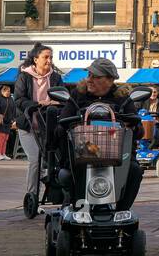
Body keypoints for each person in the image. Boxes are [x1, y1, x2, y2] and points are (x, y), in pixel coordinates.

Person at [58, 58, 143, 208]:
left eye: (96, 77)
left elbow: (139, 131)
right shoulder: (78, 96)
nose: (89, 80)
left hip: (116, 154)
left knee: (135, 170)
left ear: (110, 80)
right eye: (89, 75)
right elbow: (63, 122)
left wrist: (132, 126)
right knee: (67, 172)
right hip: (82, 152)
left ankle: (122, 210)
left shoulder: (122, 99)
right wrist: (73, 124)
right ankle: (76, 204)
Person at [14, 43, 66, 210]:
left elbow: (64, 97)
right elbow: (19, 100)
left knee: (55, 160)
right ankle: (32, 197)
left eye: (51, 57)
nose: (49, 61)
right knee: (35, 160)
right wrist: (37, 104)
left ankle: (56, 190)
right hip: (28, 126)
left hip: (49, 126)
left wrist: (59, 102)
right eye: (46, 57)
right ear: (35, 59)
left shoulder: (56, 78)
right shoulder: (24, 76)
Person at [0, 83, 17, 161]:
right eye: (6, 91)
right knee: (1, 137)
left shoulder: (11, 99)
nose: (8, 92)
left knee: (6, 138)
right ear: (2, 91)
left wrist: (13, 119)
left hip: (8, 121)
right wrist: (0, 116)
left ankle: (3, 153)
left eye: (9, 91)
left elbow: (13, 109)